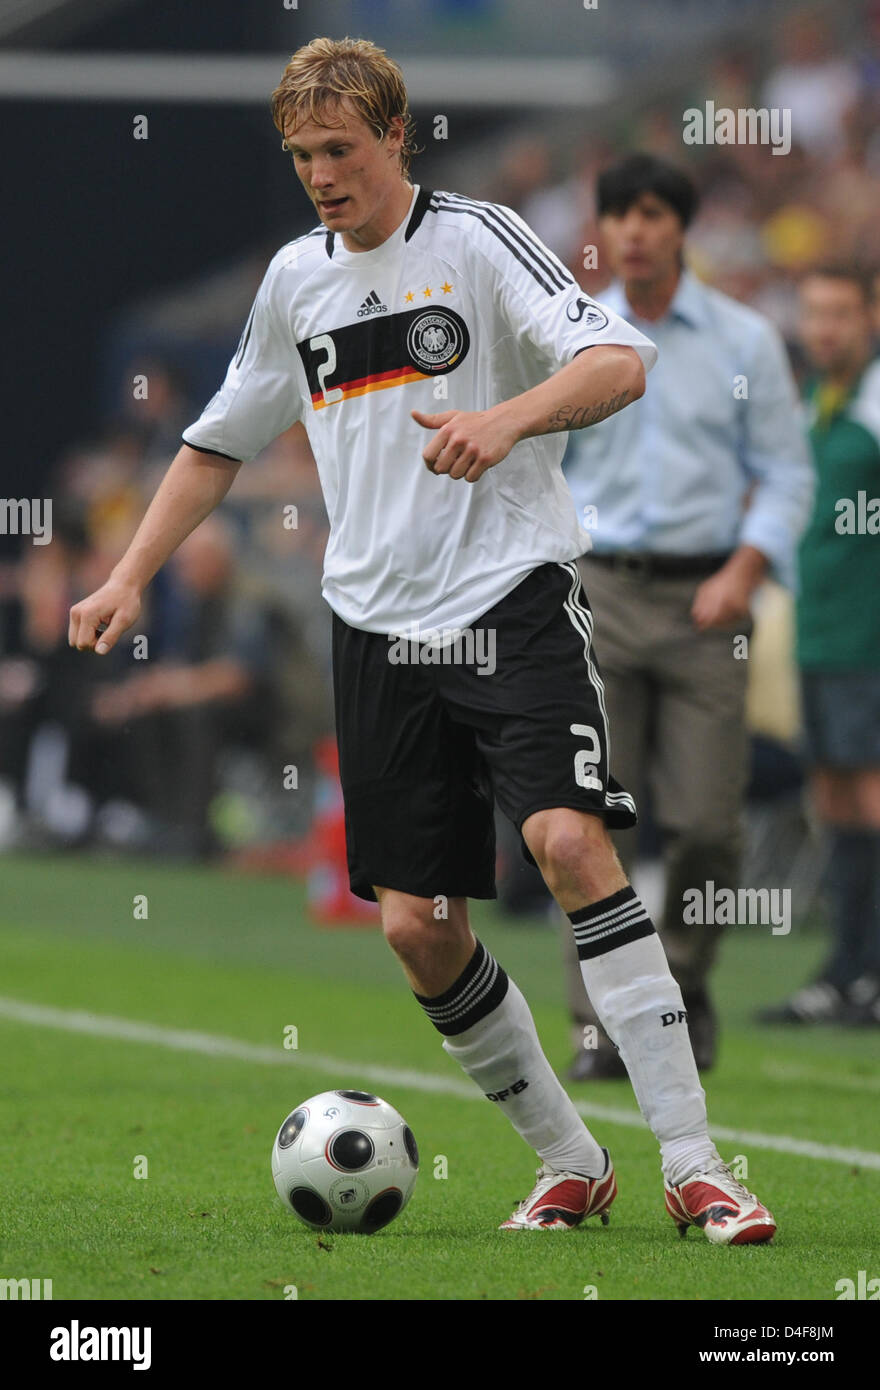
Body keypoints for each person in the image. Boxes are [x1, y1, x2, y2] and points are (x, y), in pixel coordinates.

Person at [69, 37, 775, 1243]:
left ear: (396, 135)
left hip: (507, 595)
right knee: (414, 926)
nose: (321, 175)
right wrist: (128, 572)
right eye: (301, 156)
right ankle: (569, 1160)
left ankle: (697, 1164)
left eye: (340, 150)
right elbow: (214, 441)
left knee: (566, 840)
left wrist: (504, 420)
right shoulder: (294, 280)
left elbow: (617, 360)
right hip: (377, 627)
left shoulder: (477, 238)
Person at [561, 154, 813, 1080]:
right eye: (619, 212)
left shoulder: (744, 341)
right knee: (590, 821)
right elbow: (544, 465)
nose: (634, 230)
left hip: (711, 596)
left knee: (708, 823)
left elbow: (786, 470)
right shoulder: (573, 332)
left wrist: (746, 568)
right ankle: (600, 1021)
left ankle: (683, 988)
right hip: (600, 590)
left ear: (682, 228)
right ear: (604, 225)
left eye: (653, 213)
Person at [760, 266, 880, 1026]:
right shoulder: (811, 400)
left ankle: (875, 971)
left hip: (872, 637)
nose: (825, 329)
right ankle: (845, 971)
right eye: (814, 313)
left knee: (872, 794)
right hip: (819, 635)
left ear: (869, 316)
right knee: (834, 795)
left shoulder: (876, 399)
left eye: (840, 313)